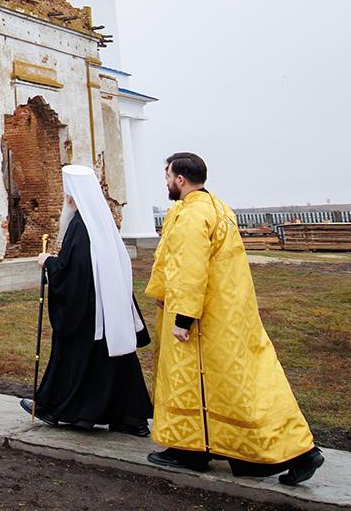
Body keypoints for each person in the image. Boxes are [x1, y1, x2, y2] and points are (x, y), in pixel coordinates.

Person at [145, 152, 325, 486]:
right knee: (238, 384)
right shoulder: (218, 208)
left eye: (168, 176)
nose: (166, 182)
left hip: (202, 319)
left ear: (180, 179)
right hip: (230, 314)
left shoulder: (191, 216)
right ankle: (248, 453)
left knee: (200, 382)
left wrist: (183, 318)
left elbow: (190, 269)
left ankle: (191, 451)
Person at [19, 165, 152, 434]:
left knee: (74, 357)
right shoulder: (100, 221)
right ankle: (130, 416)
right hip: (110, 305)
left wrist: (49, 264)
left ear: (71, 197)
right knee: (115, 359)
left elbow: (75, 272)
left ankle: (57, 408)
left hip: (86, 311)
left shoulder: (80, 225)